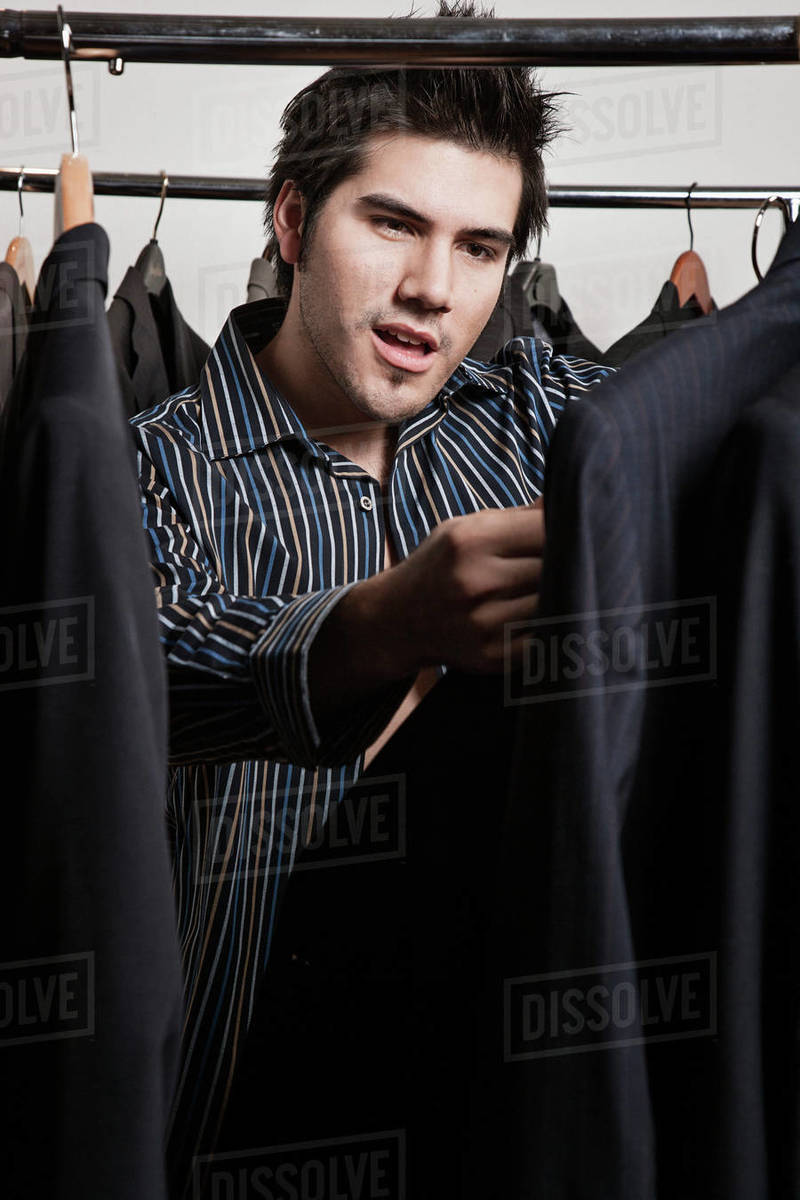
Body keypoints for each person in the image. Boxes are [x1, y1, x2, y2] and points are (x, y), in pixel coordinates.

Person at [130, 2, 614, 1192]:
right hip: (236, 1129)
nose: (431, 289)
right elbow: (145, 677)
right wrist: (376, 627)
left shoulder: (557, 425)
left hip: (502, 1126)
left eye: (480, 249)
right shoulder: (143, 469)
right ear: (293, 219)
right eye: (391, 223)